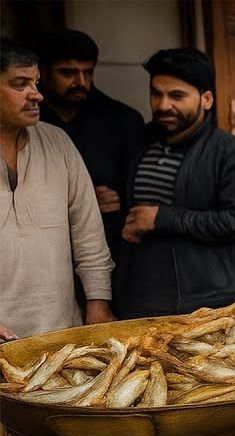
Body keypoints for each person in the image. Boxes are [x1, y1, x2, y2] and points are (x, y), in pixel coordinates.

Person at [113, 48, 235, 318]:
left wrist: (163, 218)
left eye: (177, 96)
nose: (163, 105)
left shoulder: (231, 152)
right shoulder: (137, 143)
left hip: (209, 308)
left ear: (206, 99)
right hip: (138, 306)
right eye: (156, 94)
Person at [0, 41, 114, 341]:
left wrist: (98, 303)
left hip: (62, 334)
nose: (36, 94)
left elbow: (88, 231)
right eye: (20, 84)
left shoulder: (58, 142)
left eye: (35, 83)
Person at [36, 29, 145, 264]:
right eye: (68, 73)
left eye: (88, 72)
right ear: (42, 73)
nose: (81, 82)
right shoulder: (28, 122)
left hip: (110, 252)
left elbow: (140, 194)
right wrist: (84, 201)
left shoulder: (122, 120)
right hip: (41, 253)